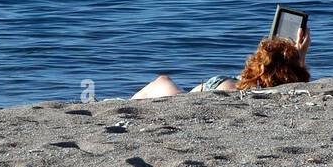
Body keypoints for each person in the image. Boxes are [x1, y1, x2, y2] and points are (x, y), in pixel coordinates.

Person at [131, 30, 311, 99]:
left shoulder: (240, 88)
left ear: (262, 67)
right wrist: (299, 58)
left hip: (182, 99)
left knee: (163, 80)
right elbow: (292, 79)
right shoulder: (285, 86)